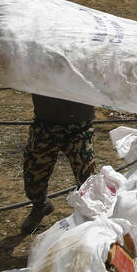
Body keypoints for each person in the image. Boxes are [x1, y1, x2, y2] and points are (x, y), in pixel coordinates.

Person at [21, 95, 97, 234]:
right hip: (44, 122)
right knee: (33, 174)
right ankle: (40, 205)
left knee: (87, 180)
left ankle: (89, 219)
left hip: (79, 124)